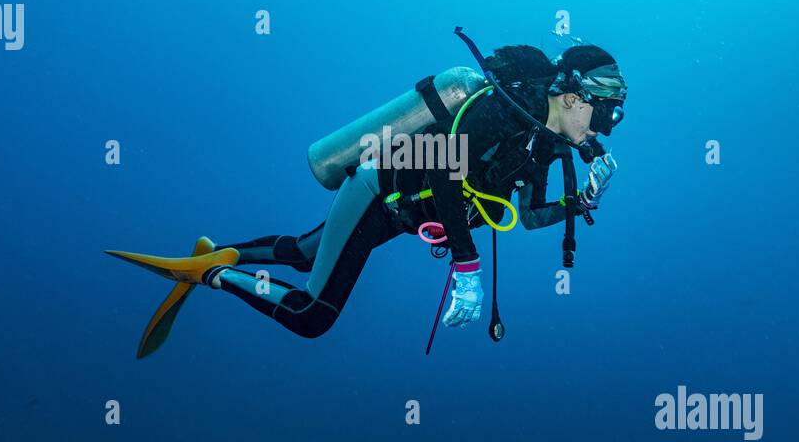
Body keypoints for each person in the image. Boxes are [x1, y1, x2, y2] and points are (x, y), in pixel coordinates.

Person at [106, 42, 625, 356]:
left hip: (401, 213)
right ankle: (208, 273)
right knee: (313, 316)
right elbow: (445, 178)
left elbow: (531, 217)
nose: (605, 127)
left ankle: (219, 251)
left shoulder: (543, 144)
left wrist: (576, 205)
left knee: (306, 251)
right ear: (574, 97)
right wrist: (468, 270)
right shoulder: (501, 112)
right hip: (379, 189)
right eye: (605, 114)